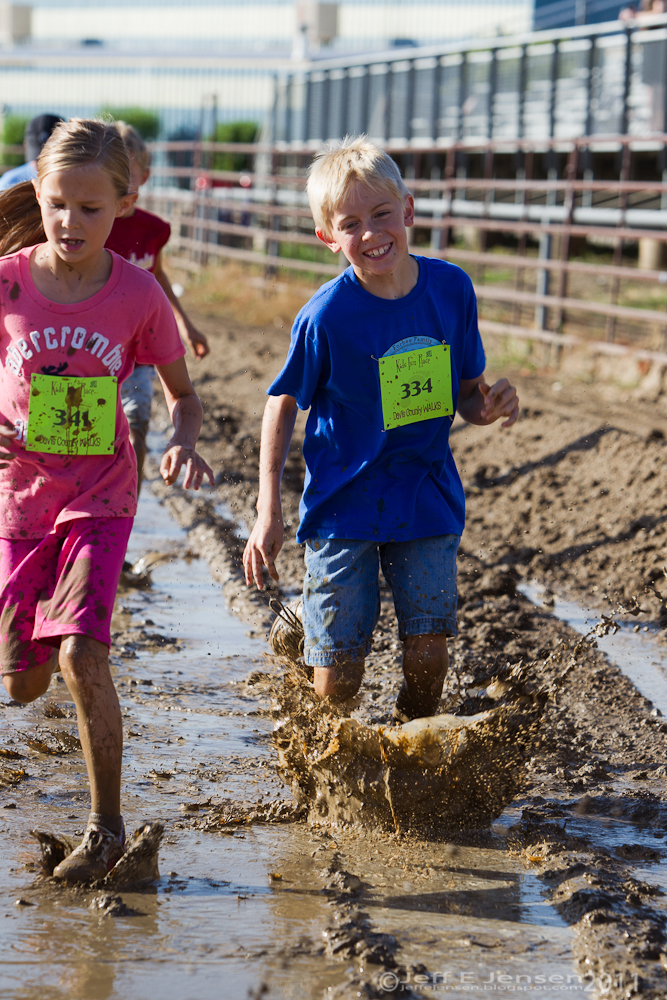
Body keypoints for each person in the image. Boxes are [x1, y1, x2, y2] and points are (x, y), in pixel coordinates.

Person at [0, 119, 213, 881]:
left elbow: (183, 397)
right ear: (37, 191)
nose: (70, 222)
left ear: (124, 205)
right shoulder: (8, 282)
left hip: (100, 497)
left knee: (81, 652)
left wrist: (182, 440)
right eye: (58, 204)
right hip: (21, 502)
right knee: (22, 682)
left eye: (91, 209)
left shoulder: (137, 293)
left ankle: (105, 829)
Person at [243, 136, 519, 721]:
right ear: (328, 237)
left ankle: (411, 748)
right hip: (345, 503)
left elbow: (467, 392)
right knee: (340, 673)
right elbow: (281, 402)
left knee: (429, 650)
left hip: (425, 493)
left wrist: (487, 405)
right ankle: (330, 757)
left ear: (409, 210)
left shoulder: (450, 290)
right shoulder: (327, 316)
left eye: (382, 214)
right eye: (350, 223)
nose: (371, 234)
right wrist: (268, 509)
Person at [105, 121, 209, 488]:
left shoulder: (153, 229)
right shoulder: (93, 224)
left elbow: (157, 278)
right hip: (96, 342)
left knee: (137, 418)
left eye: (128, 173)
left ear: (144, 177)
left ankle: (127, 492)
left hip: (139, 345)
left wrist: (186, 325)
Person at [0, 113, 64, 191]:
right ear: (25, 144)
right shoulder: (8, 183)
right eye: (37, 159)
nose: (41, 164)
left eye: (51, 159)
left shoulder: (74, 180)